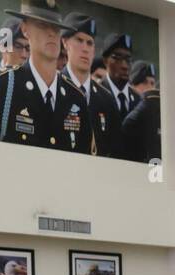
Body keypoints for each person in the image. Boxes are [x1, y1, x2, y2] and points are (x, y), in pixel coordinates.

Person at [0, 1, 95, 154]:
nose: (51, 33)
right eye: (43, 25)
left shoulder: (75, 97)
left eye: (56, 28)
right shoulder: (5, 85)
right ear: (25, 29)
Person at [60, 12, 121, 159]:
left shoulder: (106, 99)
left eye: (89, 43)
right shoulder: (54, 88)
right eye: (79, 40)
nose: (85, 48)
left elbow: (116, 150)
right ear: (65, 43)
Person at [99, 32, 138, 121]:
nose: (124, 66)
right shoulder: (95, 96)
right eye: (117, 58)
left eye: (128, 59)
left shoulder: (138, 100)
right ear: (105, 61)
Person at [120, 83, 160, 163]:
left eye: (153, 83)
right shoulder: (148, 107)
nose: (151, 85)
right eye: (149, 83)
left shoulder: (145, 107)